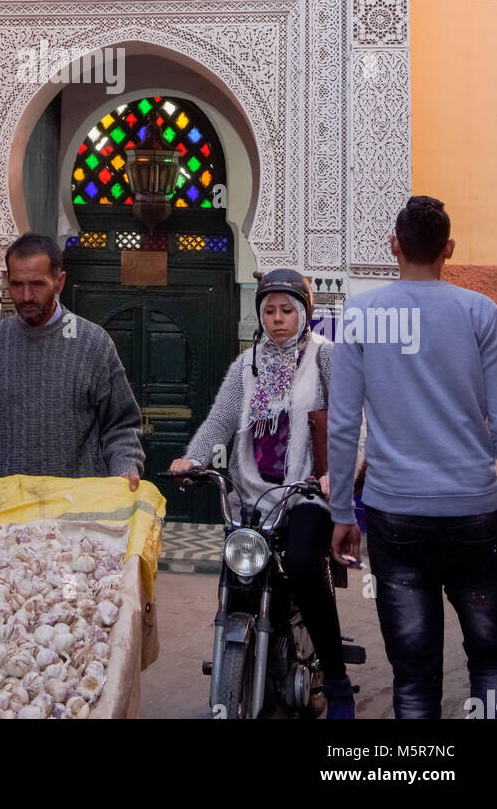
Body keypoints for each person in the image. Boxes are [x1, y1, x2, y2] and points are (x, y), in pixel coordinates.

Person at [329, 195, 497, 719]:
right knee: (493, 663)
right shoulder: (481, 313)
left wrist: (342, 512)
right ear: (448, 250)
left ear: (394, 247)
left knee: (412, 676)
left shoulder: (360, 314)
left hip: (395, 517)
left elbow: (342, 425)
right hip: (474, 513)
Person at [170, 269, 356, 719]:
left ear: (304, 313)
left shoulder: (325, 357)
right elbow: (219, 420)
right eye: (269, 310)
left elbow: (352, 419)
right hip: (250, 493)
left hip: (306, 491)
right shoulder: (246, 364)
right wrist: (193, 459)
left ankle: (337, 685)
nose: (277, 319)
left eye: (286, 310)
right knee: (238, 576)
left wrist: (339, 476)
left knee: (302, 568)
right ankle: (246, 646)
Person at [0, 232, 144, 488]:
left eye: (37, 284)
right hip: (9, 507)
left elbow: (121, 425)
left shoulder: (94, 344)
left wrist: (125, 469)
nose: (25, 296)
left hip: (79, 510)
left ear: (59, 282)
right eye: (17, 284)